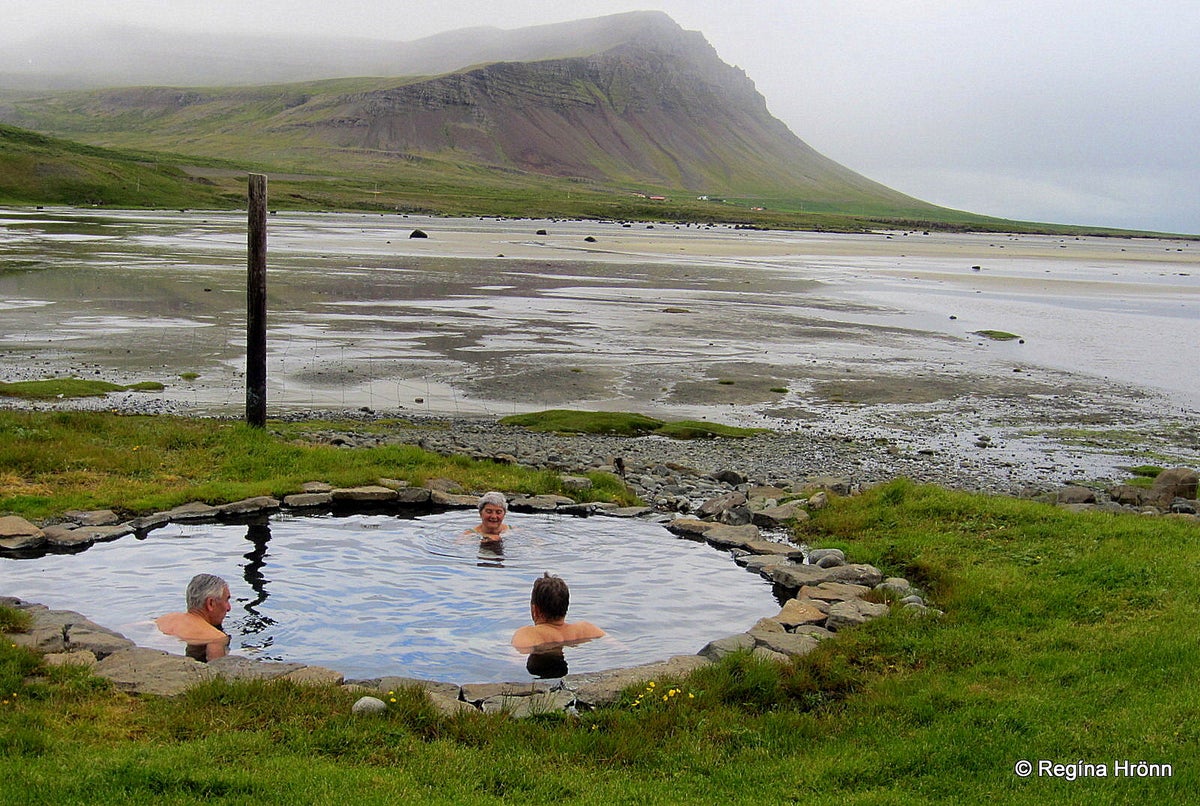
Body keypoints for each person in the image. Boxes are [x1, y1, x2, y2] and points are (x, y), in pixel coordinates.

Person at [511, 573, 605, 653]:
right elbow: (617, 647)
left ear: (535, 609)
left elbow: (515, 662)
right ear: (566, 606)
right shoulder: (586, 629)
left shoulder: (528, 634)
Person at [155, 573, 232, 662]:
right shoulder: (216, 638)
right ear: (210, 603)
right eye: (226, 600)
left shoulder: (164, 619)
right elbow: (217, 671)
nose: (229, 608)